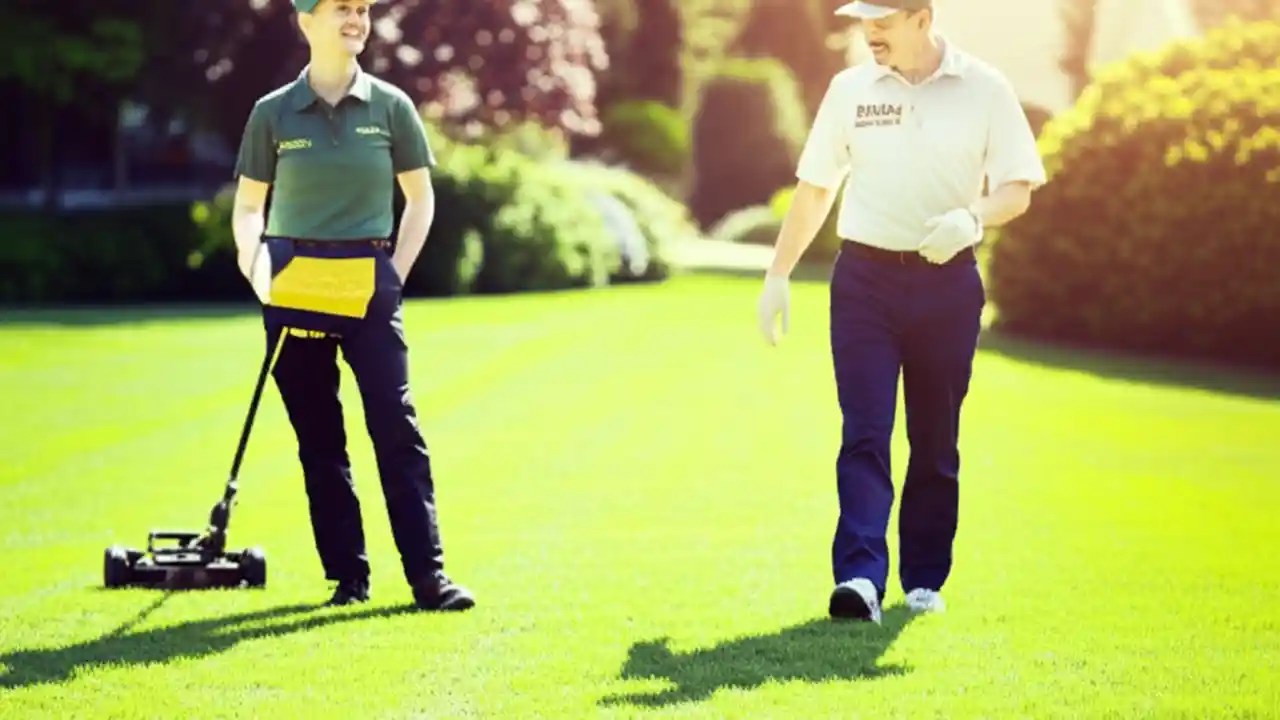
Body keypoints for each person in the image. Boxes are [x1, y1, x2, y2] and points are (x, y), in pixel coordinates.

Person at [756, 0, 1046, 623]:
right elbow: (816, 189)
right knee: (864, 431)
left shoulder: (984, 88)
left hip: (948, 285)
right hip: (864, 283)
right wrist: (778, 273)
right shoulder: (850, 89)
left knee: (935, 439)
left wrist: (971, 218)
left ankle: (923, 579)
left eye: (884, 20)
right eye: (864, 19)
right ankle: (860, 577)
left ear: (923, 17)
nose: (870, 32)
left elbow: (1018, 187)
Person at [230, 0, 474, 611]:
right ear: (306, 20)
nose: (356, 19)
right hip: (294, 281)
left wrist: (393, 275)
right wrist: (258, 268)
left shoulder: (392, 107)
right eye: (341, 8)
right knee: (319, 438)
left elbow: (420, 201)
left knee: (396, 426)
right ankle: (348, 578)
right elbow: (248, 208)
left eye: (363, 9)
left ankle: (429, 577)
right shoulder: (272, 113)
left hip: (369, 281)